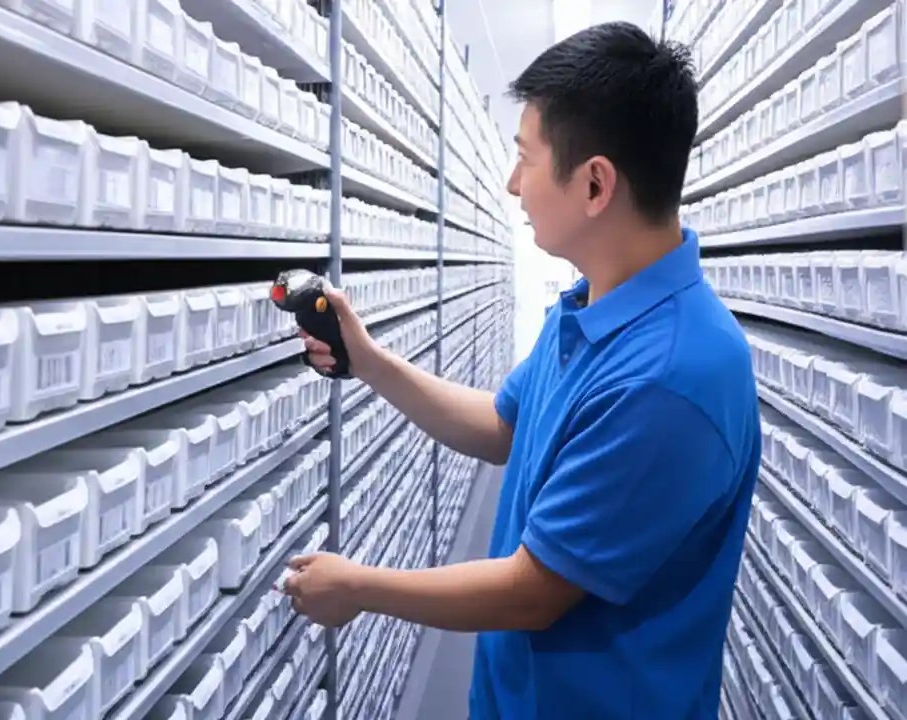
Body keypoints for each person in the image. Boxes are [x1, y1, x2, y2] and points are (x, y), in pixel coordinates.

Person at [281, 21, 761, 720]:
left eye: (525, 158)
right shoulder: (593, 306)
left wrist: (358, 587)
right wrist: (369, 361)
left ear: (594, 184)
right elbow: (504, 425)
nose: (512, 185)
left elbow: (532, 593)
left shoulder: (670, 378)